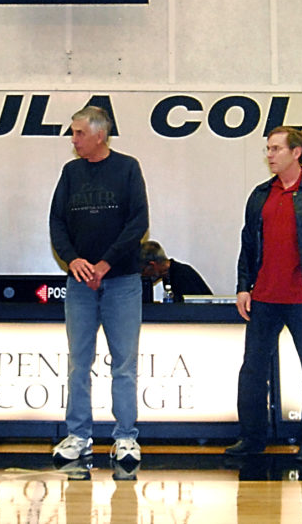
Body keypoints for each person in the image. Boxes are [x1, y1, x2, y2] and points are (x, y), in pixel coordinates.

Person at [226, 126, 302, 462]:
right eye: (268, 148)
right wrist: (242, 286)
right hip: (264, 297)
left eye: (276, 148)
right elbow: (248, 245)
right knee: (252, 370)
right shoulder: (261, 195)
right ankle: (251, 438)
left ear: (296, 152)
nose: (270, 155)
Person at [49, 106, 149, 465]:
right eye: (73, 134)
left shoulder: (127, 168)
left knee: (124, 364)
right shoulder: (71, 172)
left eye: (78, 133)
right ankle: (78, 435)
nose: (73, 140)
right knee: (78, 362)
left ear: (99, 135)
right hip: (79, 284)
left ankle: (125, 437)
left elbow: (138, 223)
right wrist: (73, 259)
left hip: (121, 281)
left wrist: (105, 263)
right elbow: (57, 222)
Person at [139, 240, 212, 303]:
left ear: (153, 265)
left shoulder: (182, 275)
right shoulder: (170, 274)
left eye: (143, 270)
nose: (142, 274)